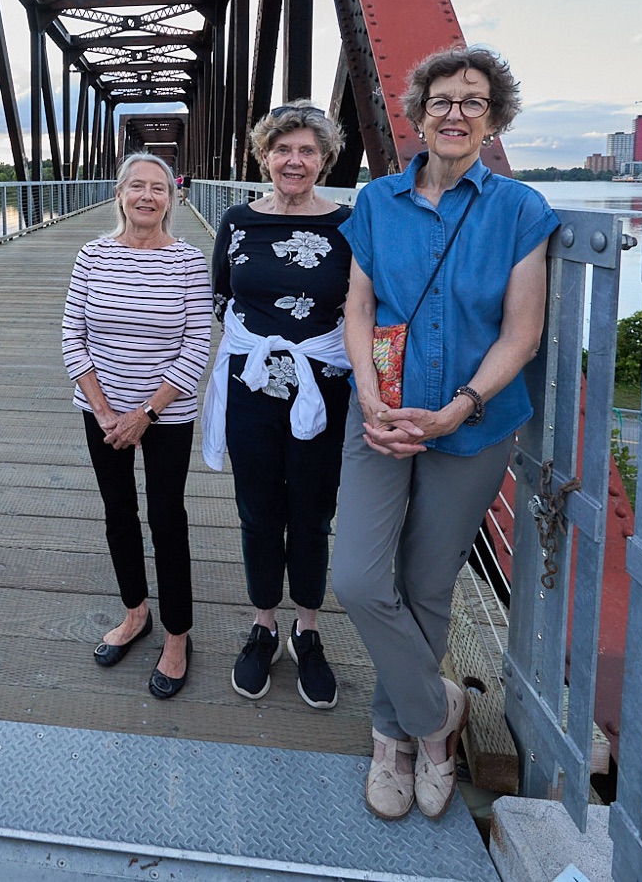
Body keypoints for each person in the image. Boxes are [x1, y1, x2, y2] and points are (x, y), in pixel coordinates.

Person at [329, 48, 557, 820]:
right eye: (442, 101)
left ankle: (396, 734)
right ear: (417, 113)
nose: (456, 113)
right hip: (382, 415)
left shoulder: (520, 209)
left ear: (494, 120)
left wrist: (460, 405)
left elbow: (521, 335)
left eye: (475, 102)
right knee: (359, 577)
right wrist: (367, 396)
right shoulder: (375, 202)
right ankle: (440, 715)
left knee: (427, 583)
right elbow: (357, 309)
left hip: (474, 423)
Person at [201, 102, 353, 710]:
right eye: (283, 150)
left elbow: (363, 305)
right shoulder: (238, 221)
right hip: (252, 385)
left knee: (313, 510)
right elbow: (220, 296)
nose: (295, 161)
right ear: (264, 157)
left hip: (326, 382)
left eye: (308, 151)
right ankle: (264, 622)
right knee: (258, 509)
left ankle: (308, 628)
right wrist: (265, 353)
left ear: (324, 160)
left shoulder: (349, 223)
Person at [61, 153, 212, 699]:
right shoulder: (92, 255)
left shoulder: (190, 261)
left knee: (166, 516)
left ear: (172, 198)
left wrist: (145, 413)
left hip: (165, 414)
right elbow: (71, 335)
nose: (147, 196)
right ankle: (135, 613)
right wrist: (104, 411)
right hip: (101, 413)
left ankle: (177, 635)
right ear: (120, 194)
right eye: (137, 187)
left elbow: (198, 345)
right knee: (118, 512)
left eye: (159, 188)